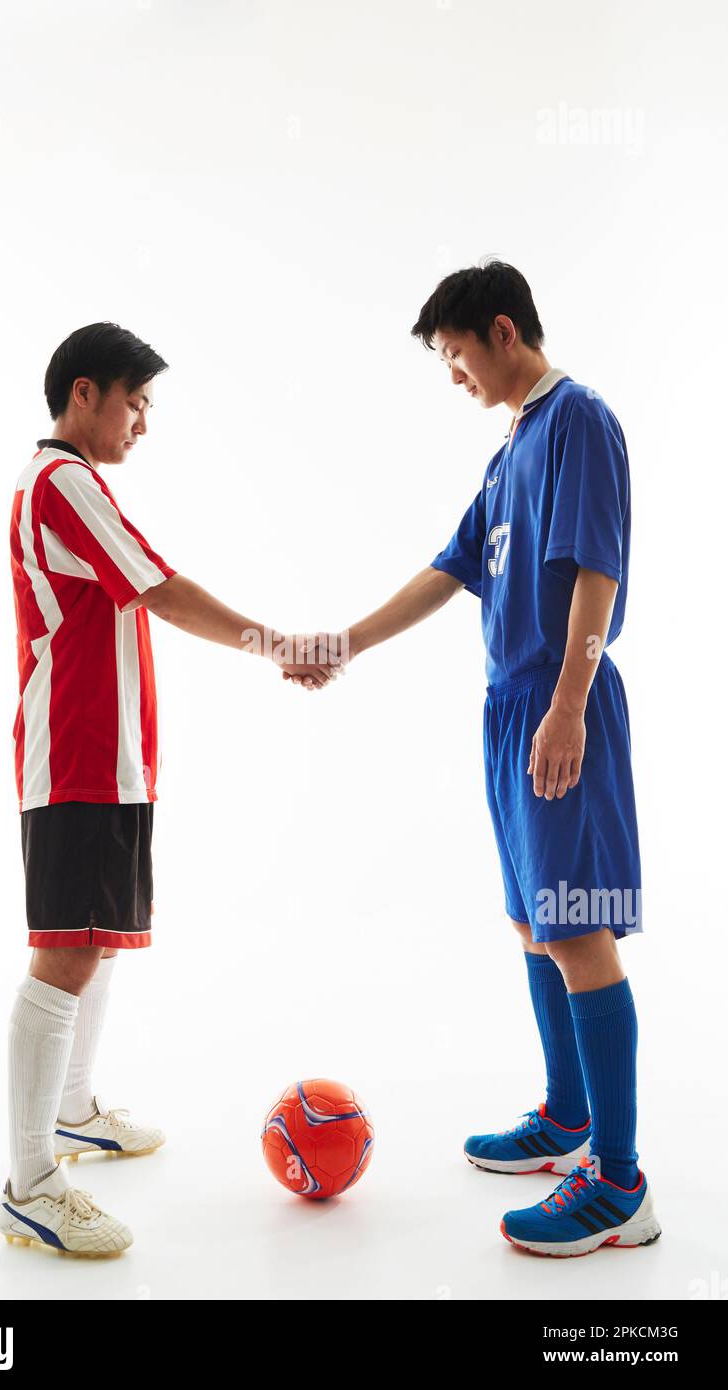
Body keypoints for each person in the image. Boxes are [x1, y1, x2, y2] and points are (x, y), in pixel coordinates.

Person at [286, 260, 661, 1257]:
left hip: (553, 696)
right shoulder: (507, 453)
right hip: (507, 705)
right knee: (531, 919)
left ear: (501, 332)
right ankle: (567, 1117)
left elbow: (598, 570)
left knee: (575, 925)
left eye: (455, 357)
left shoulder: (575, 418)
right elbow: (448, 568)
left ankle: (618, 1184)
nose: (453, 377)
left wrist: (570, 703)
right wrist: (345, 642)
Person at [0, 322, 337, 1257]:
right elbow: (160, 588)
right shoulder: (62, 480)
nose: (142, 421)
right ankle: (29, 1183)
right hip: (73, 759)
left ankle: (70, 1114)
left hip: (109, 760)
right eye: (133, 401)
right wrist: (280, 646)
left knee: (97, 938)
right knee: (66, 948)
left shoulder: (71, 484)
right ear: (82, 395)